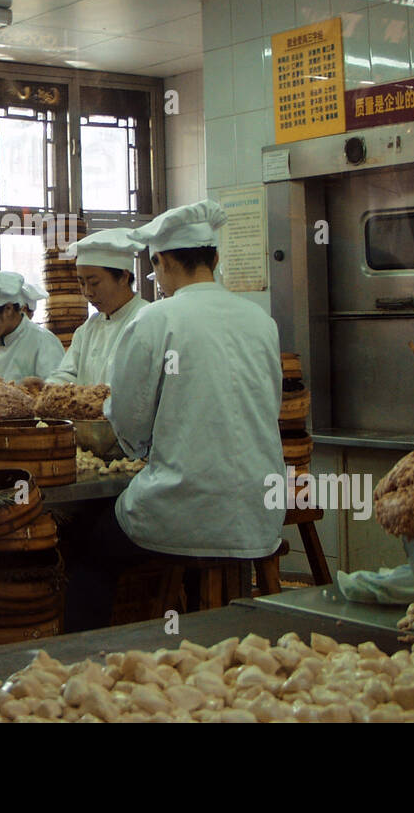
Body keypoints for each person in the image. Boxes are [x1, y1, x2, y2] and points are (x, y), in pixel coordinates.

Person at [63, 200, 284, 633]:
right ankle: (208, 626)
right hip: (260, 508)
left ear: (159, 262)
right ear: (215, 258)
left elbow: (127, 421)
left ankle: (83, 660)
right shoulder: (260, 319)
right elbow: (268, 405)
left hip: (184, 509)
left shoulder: (155, 320)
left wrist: (144, 449)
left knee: (86, 545)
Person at [45, 228, 149, 386]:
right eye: (81, 283)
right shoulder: (89, 327)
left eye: (94, 283)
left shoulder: (146, 320)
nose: (87, 292)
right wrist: (49, 387)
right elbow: (69, 372)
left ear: (123, 277)